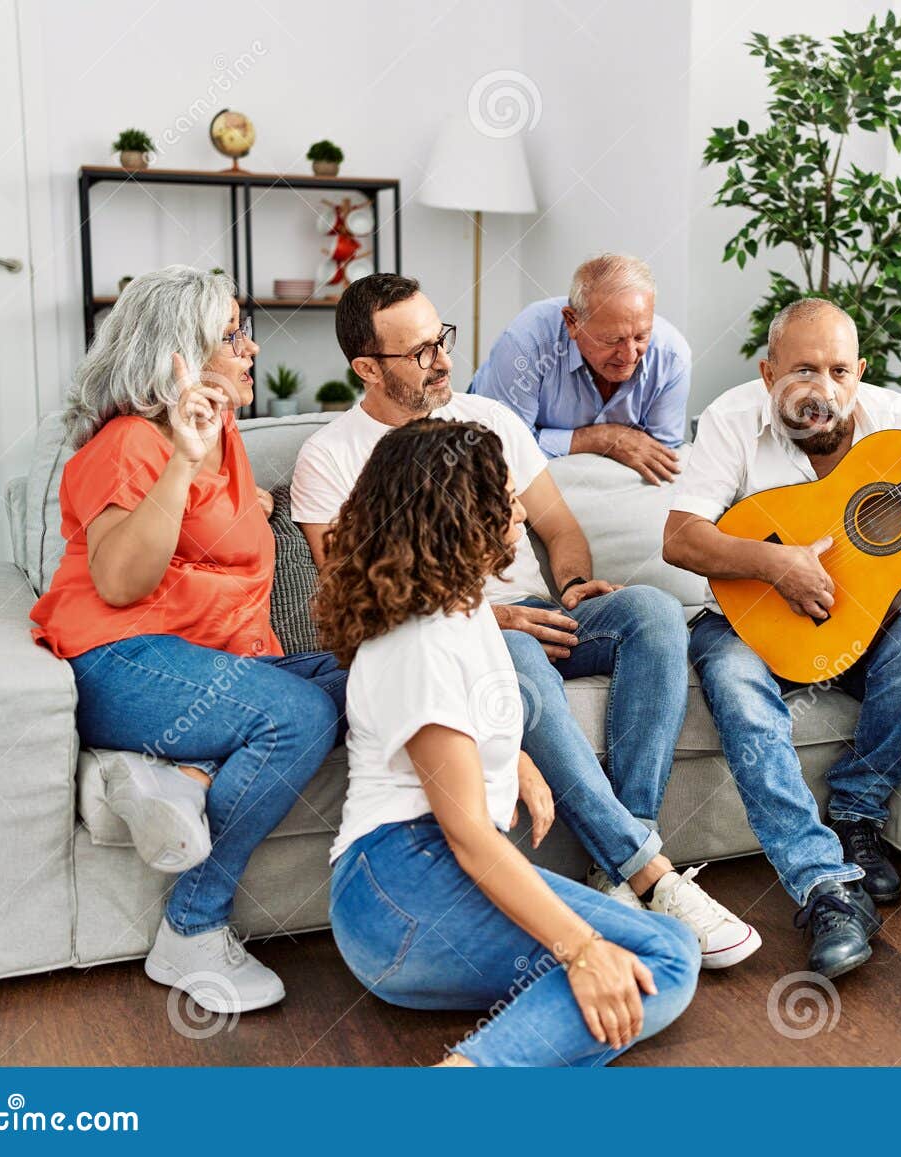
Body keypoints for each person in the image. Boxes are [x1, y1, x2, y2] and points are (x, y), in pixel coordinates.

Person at [290, 273, 758, 969]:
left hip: (543, 612)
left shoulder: (492, 418)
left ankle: (623, 859)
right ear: (367, 367)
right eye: (418, 352)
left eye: (440, 339)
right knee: (519, 660)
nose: (442, 359)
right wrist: (493, 615)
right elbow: (358, 602)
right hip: (457, 628)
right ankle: (649, 873)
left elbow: (560, 527)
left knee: (656, 612)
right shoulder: (330, 456)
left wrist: (570, 584)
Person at [662, 298, 901, 979]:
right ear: (767, 372)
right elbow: (679, 537)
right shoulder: (732, 419)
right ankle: (827, 890)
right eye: (804, 370)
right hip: (745, 623)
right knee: (733, 684)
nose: (823, 390)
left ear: (861, 372)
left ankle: (856, 815)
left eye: (839, 371)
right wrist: (774, 562)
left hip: (857, 625)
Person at [316, 418, 699, 1066]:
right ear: (462, 513)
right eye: (505, 495)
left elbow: (450, 725)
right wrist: (581, 947)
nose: (520, 509)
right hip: (400, 889)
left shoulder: (457, 610)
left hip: (406, 886)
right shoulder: (425, 640)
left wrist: (512, 754)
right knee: (660, 954)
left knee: (643, 956)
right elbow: (468, 838)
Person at [29, 265, 348, 1015]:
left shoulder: (224, 434)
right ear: (179, 350)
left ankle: (187, 772)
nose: (252, 346)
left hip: (211, 663)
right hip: (122, 658)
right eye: (232, 333)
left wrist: (244, 492)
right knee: (296, 715)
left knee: (360, 674)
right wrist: (179, 461)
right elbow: (118, 582)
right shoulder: (130, 444)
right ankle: (191, 926)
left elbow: (217, 540)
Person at [471, 253, 689, 484]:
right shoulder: (526, 343)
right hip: (494, 467)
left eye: (641, 336)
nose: (629, 355)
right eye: (612, 340)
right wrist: (598, 439)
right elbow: (501, 451)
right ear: (572, 322)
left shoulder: (672, 356)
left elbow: (661, 459)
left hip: (604, 485)